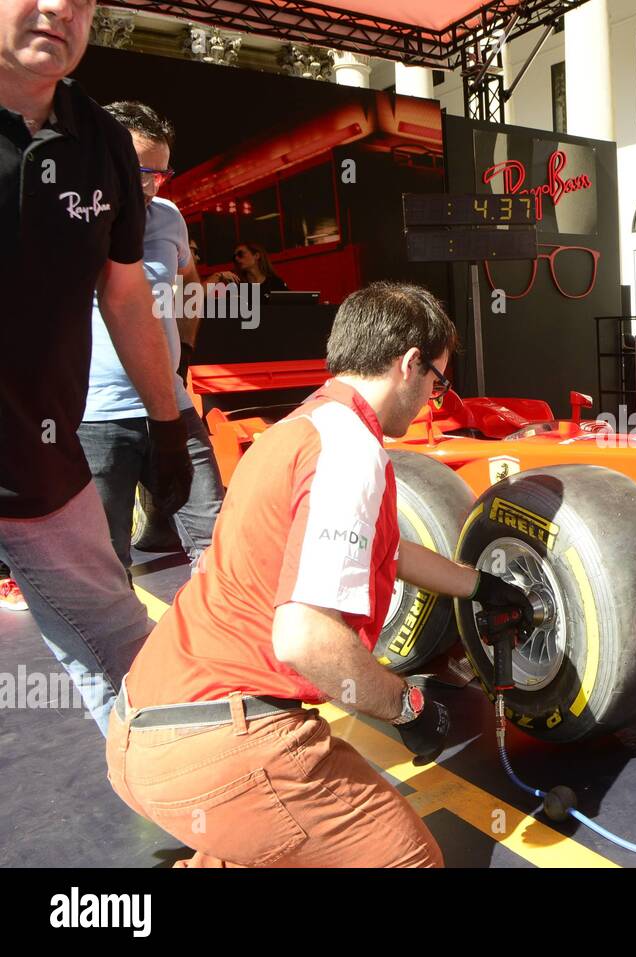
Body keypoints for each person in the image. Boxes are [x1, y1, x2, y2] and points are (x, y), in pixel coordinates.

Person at [107, 282, 536, 867]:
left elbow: (388, 552)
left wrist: (481, 586)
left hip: (143, 734)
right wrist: (406, 705)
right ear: (410, 363)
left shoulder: (297, 431)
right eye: (438, 379)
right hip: (224, 743)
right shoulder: (351, 451)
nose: (434, 397)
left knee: (271, 844)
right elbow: (305, 638)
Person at [0, 0, 192, 733]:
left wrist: (167, 422)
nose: (59, 9)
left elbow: (126, 296)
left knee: (127, 656)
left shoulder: (103, 144)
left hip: (42, 459)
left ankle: (186, 815)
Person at [78, 101, 224, 572]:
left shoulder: (167, 216)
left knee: (217, 543)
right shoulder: (69, 216)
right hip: (98, 417)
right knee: (103, 564)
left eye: (159, 174)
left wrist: (184, 352)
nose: (148, 186)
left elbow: (191, 282)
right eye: (138, 169)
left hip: (172, 406)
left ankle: (218, 643)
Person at [210, 240, 287, 299]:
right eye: (234, 257)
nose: (236, 259)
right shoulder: (236, 288)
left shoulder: (275, 283)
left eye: (241, 254)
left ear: (256, 256)